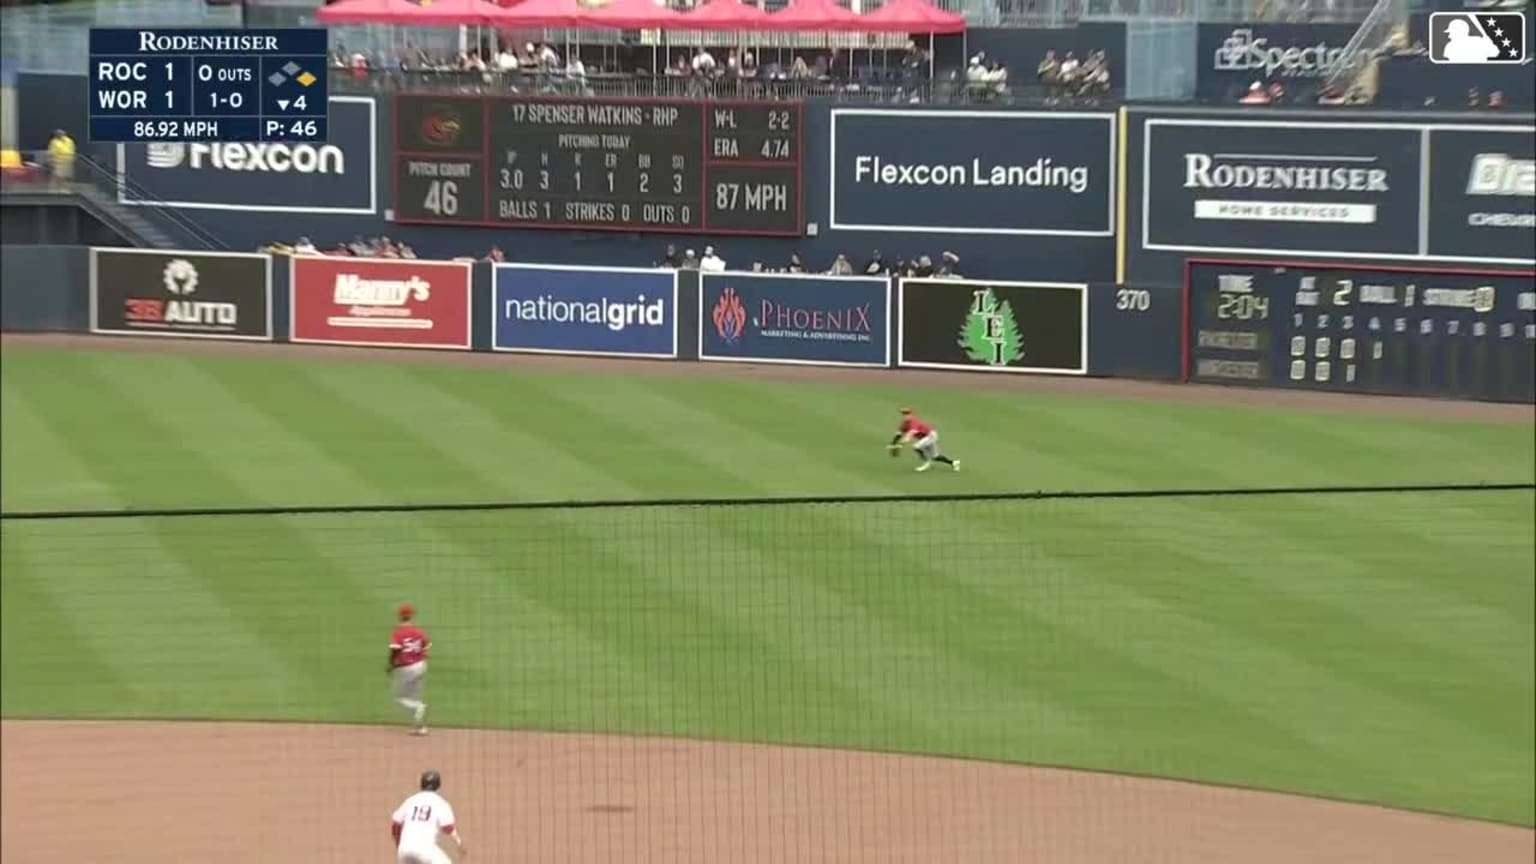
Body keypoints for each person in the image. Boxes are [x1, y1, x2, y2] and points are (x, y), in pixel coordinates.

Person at [391, 770, 466, 864]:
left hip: (404, 851)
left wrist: (399, 844)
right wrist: (458, 842)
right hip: (425, 849)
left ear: (421, 784)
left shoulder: (410, 801)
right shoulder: (440, 802)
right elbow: (448, 828)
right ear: (438, 786)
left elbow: (396, 823)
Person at [389, 604, 431, 735]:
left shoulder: (399, 632)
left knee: (400, 697)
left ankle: (419, 708)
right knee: (415, 696)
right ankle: (420, 727)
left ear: (400, 616)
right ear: (412, 615)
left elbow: (395, 649)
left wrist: (391, 664)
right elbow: (426, 647)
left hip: (405, 668)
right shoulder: (419, 631)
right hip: (421, 665)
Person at [887, 407, 959, 473]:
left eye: (907, 414)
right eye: (904, 414)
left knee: (916, 447)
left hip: (930, 435)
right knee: (935, 457)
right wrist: (893, 443)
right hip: (926, 437)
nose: (906, 416)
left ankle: (927, 462)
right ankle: (954, 463)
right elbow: (899, 434)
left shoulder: (914, 422)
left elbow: (910, 435)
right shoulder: (904, 423)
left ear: (911, 414)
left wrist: (901, 444)